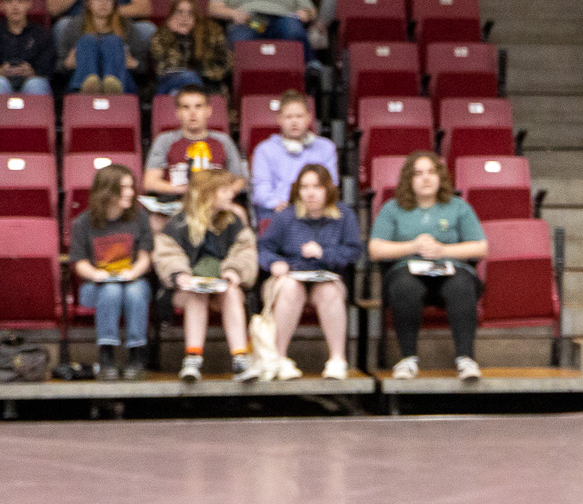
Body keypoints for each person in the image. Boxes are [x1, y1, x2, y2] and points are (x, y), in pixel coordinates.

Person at [369, 151, 488, 381]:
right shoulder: (392, 208)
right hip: (408, 270)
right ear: (409, 180)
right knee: (404, 286)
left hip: (450, 270)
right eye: (418, 174)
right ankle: (408, 359)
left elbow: (480, 247)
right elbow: (375, 249)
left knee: (461, 285)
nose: (426, 178)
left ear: (440, 177)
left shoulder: (458, 207)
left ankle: (466, 359)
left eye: (432, 172)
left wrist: (443, 251)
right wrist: (412, 246)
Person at [154, 169, 259, 383]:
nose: (231, 194)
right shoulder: (178, 224)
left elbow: (245, 251)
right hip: (184, 289)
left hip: (222, 287)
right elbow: (167, 254)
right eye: (224, 190)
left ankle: (240, 359)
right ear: (207, 193)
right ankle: (193, 358)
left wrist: (233, 271)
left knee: (231, 292)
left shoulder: (234, 221)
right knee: (196, 294)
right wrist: (180, 275)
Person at [260, 161, 361, 381]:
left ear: (328, 189)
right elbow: (263, 247)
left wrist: (324, 253)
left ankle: (337, 359)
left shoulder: (343, 215)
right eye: (305, 187)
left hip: (326, 276)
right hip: (290, 276)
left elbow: (353, 251)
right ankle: (279, 358)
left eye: (317, 187)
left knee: (330, 292)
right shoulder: (286, 215)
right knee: (289, 288)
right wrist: (274, 263)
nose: (310, 193)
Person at [71, 162, 155, 378]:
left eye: (131, 187)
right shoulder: (83, 222)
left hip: (133, 281)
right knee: (111, 290)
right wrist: (96, 274)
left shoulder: (140, 217)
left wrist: (134, 272)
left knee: (135, 291)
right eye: (124, 187)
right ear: (107, 191)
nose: (130, 192)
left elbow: (145, 257)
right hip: (95, 286)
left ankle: (137, 353)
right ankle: (106, 354)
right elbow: (79, 262)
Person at [144, 81, 246, 207]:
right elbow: (150, 182)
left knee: (239, 213)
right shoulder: (164, 140)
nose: (192, 113)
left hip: (215, 205)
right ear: (178, 112)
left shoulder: (223, 140)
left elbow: (239, 181)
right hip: (177, 203)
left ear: (208, 111)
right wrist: (186, 190)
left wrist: (218, 195)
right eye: (186, 107)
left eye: (198, 106)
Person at [249, 90, 340, 213]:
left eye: (299, 116)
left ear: (309, 117)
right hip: (277, 212)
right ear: (279, 119)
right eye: (288, 117)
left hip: (316, 211)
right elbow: (261, 189)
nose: (294, 122)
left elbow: (330, 184)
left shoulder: (326, 147)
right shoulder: (264, 150)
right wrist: (278, 204)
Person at [65, 0, 139, 95]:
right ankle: (89, 86)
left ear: (114, 3)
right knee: (88, 40)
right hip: (79, 86)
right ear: (88, 2)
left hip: (122, 86)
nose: (103, 2)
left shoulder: (127, 27)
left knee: (113, 41)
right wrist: (67, 64)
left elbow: (144, 67)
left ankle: (112, 86)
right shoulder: (75, 27)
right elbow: (58, 67)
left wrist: (135, 64)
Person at [150, 0, 232, 93]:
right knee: (187, 77)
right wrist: (180, 37)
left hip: (205, 83)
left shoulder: (212, 33)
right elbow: (165, 69)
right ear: (171, 15)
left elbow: (224, 64)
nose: (184, 17)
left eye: (190, 13)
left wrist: (201, 75)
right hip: (169, 82)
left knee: (178, 93)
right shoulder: (161, 35)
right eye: (179, 12)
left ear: (197, 16)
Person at [0, 0, 56, 95]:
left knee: (35, 84)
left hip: (32, 81)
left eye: (20, 0)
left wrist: (32, 72)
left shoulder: (42, 33)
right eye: (9, 1)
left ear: (29, 3)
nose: (15, 6)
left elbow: (49, 68)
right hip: (3, 80)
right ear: (2, 5)